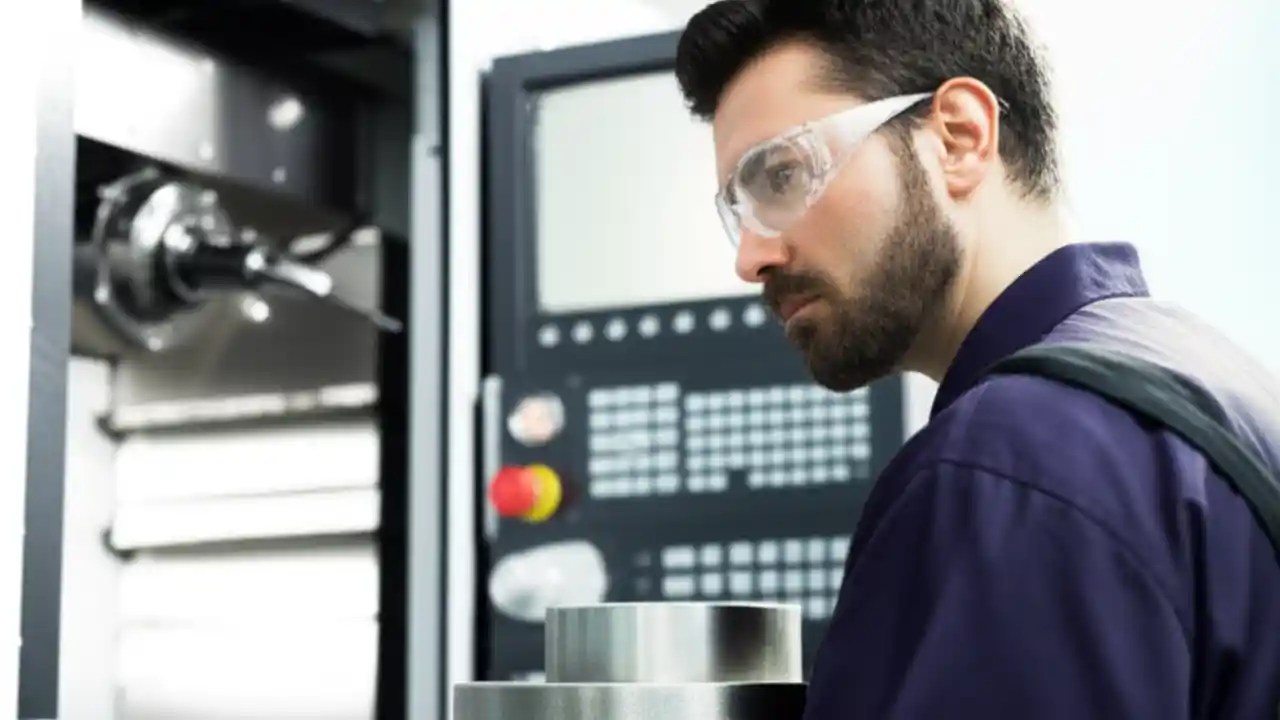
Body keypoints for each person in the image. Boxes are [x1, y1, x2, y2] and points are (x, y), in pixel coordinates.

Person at [673, 1, 1280, 718]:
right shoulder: (1207, 380)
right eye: (738, 210)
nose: (752, 257)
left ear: (960, 137)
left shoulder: (1015, 459)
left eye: (781, 176)